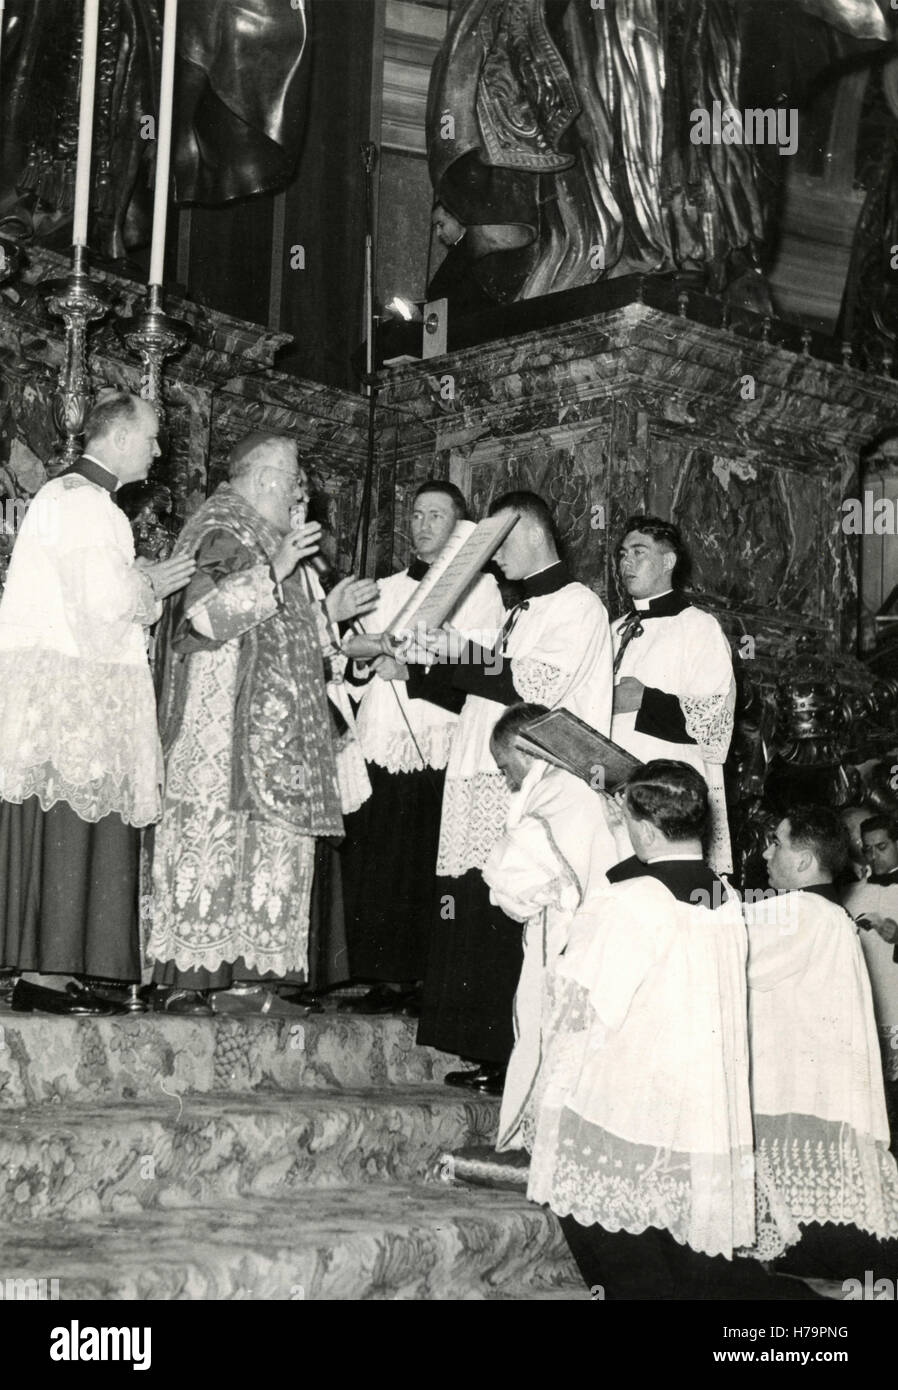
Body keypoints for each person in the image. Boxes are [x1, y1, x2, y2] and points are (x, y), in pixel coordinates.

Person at [527, 761, 820, 1300]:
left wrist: (552, 1094)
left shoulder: (626, 901)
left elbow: (577, 1004)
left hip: (628, 1101)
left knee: (611, 1240)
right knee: (685, 1262)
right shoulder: (725, 900)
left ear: (643, 826)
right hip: (696, 1108)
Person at [146, 432, 378, 1014]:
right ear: (264, 476)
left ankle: (254, 982)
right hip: (222, 732)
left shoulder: (273, 541)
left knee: (264, 856)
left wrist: (332, 615)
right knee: (216, 849)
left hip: (272, 732)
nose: (303, 490)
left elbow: (288, 641)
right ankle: (192, 983)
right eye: (296, 476)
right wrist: (275, 568)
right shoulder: (222, 528)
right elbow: (202, 619)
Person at [407, 489, 613, 1093]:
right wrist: (428, 663)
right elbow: (482, 688)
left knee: (512, 907)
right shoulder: (519, 611)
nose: (491, 560)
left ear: (526, 531)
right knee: (475, 900)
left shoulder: (580, 606)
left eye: (496, 545)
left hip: (537, 779)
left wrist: (458, 653)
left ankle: (510, 1054)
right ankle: (484, 1048)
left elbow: (535, 686)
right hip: (479, 767)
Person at [0, 392, 194, 1015]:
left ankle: (50, 972)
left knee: (66, 825)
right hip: (74, 699)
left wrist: (139, 584)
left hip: (59, 694)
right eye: (151, 438)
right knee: (71, 826)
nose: (158, 450)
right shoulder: (87, 506)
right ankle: (46, 976)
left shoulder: (68, 499)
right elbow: (102, 607)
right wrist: (151, 586)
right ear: (116, 439)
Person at [338, 480, 502, 1015]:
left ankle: (418, 978)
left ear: (459, 528)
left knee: (420, 865)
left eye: (437, 515)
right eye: (416, 514)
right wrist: (365, 661)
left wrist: (412, 669)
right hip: (381, 734)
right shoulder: (383, 588)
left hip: (436, 739)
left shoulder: (481, 590)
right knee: (376, 857)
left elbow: (483, 667)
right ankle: (378, 975)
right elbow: (353, 657)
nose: (423, 523)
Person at [745, 807, 898, 1280]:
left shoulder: (796, 911)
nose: (767, 852)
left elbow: (721, 949)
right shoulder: (826, 912)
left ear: (806, 861)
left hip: (794, 1088)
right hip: (821, 1088)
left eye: (777, 842)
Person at [482, 702, 617, 1149]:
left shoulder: (557, 791)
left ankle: (531, 1141)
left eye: (506, 767)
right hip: (600, 936)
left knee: (545, 1034)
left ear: (525, 748)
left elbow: (507, 878)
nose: (507, 780)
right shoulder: (584, 783)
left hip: (564, 933)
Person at [611, 514, 735, 872]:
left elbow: (714, 725)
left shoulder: (698, 627)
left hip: (668, 795)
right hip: (613, 790)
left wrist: (643, 700)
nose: (626, 563)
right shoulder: (612, 628)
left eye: (639, 552)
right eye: (622, 555)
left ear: (668, 562)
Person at [842, 814, 898, 1142]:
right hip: (871, 1011)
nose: (874, 856)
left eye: (882, 847)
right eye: (868, 850)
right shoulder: (853, 891)